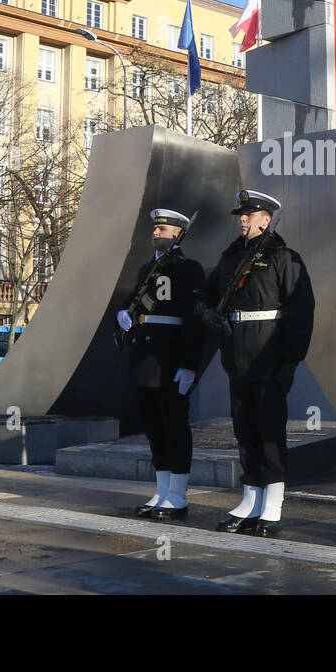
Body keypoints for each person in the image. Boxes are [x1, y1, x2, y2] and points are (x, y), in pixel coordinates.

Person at [199, 190, 314, 538]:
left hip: (269, 354)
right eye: (241, 214)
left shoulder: (283, 257)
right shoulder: (231, 257)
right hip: (237, 353)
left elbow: (301, 311)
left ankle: (273, 503)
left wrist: (291, 360)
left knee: (269, 431)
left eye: (250, 214)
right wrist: (207, 315)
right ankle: (250, 499)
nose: (243, 219)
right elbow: (205, 295)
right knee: (245, 429)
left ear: (267, 219)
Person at [115, 208, 206, 520]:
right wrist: (124, 316)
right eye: (155, 229)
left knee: (173, 425)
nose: (156, 233)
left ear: (178, 234)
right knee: (153, 426)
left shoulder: (188, 269)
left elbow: (194, 321)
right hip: (144, 358)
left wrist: (189, 363)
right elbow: (138, 305)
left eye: (164, 230)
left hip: (169, 360)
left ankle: (178, 494)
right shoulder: (145, 271)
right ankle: (163, 489)